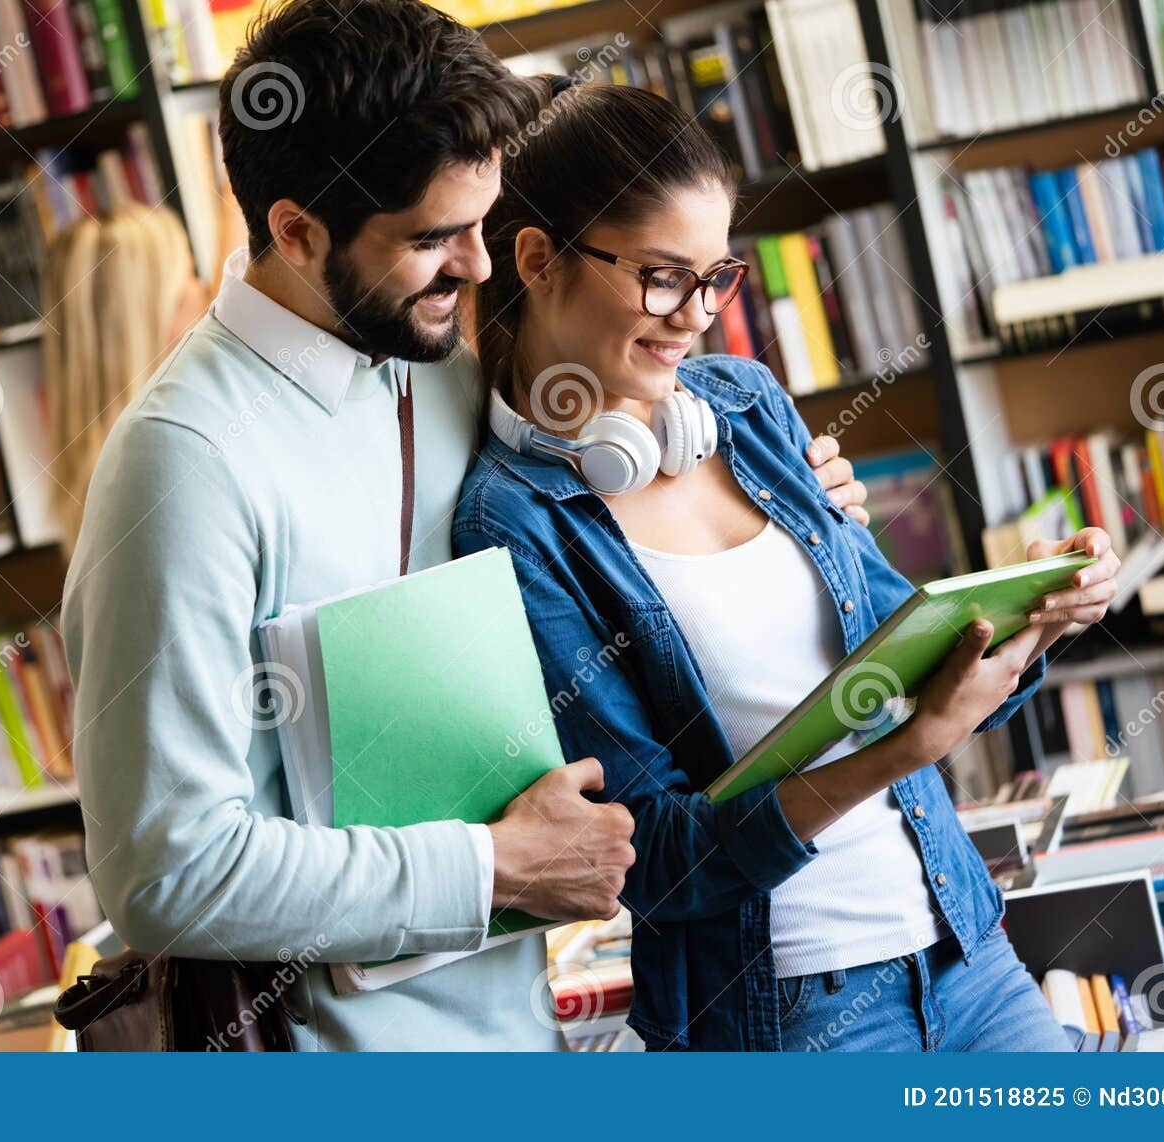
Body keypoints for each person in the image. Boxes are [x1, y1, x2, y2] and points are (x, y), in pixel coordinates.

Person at [61, 0, 868, 1051]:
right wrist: (494, 867)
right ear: (296, 232)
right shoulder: (184, 463)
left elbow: (607, 523)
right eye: (432, 238)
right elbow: (167, 872)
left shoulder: (437, 362)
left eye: (481, 224)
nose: (480, 267)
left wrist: (793, 508)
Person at [454, 80, 1122, 1052]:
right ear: (536, 259)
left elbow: (903, 646)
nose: (693, 316)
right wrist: (899, 752)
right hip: (790, 1017)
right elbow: (659, 862)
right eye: (661, 276)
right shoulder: (513, 521)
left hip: (964, 948)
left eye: (715, 277)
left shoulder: (745, 404)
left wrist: (1033, 612)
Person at [41, 204, 208, 556]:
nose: (204, 293)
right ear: (145, 319)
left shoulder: (107, 482)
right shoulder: (166, 469)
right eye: (190, 275)